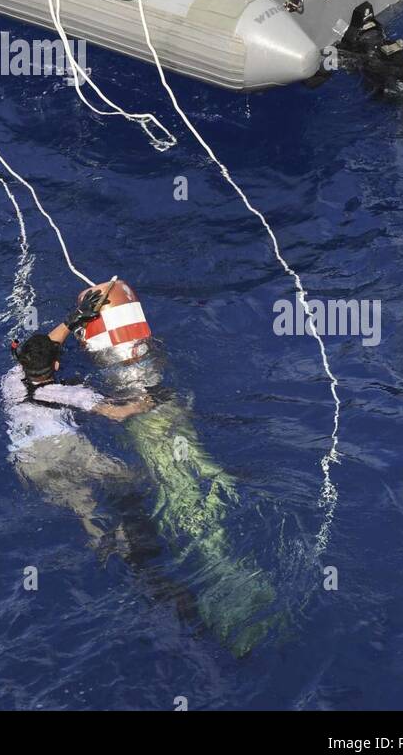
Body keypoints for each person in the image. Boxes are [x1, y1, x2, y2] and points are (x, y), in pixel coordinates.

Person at [72, 279, 281, 657]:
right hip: (173, 417)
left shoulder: (122, 387)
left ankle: (229, 592)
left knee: (185, 510)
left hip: (153, 429)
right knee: (205, 495)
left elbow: (113, 409)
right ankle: (239, 580)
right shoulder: (160, 378)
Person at [1, 287, 151, 548]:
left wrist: (73, 320)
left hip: (27, 458)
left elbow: (43, 350)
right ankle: (130, 538)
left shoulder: (10, 380)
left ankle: (99, 537)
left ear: (23, 362)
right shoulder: (69, 393)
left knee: (81, 502)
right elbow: (116, 414)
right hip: (64, 448)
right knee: (128, 477)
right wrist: (149, 400)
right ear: (56, 365)